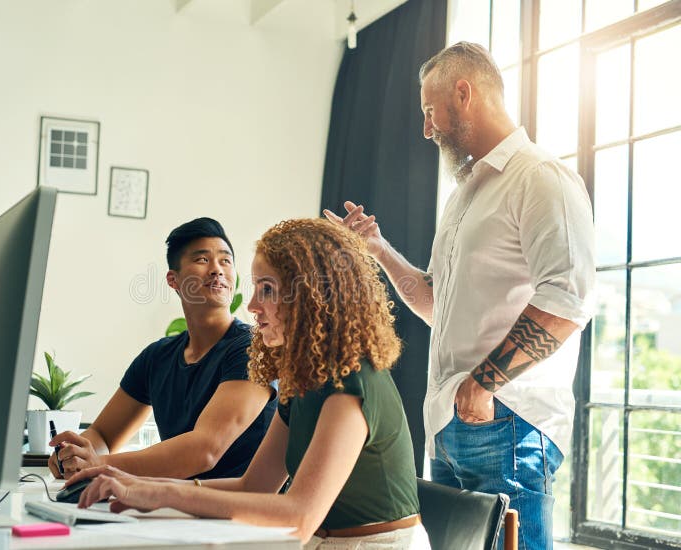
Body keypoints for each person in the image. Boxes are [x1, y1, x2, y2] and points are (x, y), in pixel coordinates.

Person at [324, 42, 595, 550]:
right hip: (450, 422)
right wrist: (378, 249)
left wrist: (484, 383)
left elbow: (567, 301)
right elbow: (437, 304)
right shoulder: (464, 196)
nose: (426, 129)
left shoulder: (540, 177)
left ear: (464, 94)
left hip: (508, 422)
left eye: (430, 111)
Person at [66, 218, 431, 549]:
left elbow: (299, 517)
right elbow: (254, 486)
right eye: (256, 288)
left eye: (267, 290)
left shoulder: (350, 382)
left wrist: (163, 495)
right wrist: (140, 485)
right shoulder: (303, 379)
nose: (253, 305)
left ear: (309, 297)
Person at [48, 217, 276, 481]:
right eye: (203, 259)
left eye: (226, 261)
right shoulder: (157, 357)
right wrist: (75, 455)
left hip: (235, 504)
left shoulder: (253, 347)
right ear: (173, 280)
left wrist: (98, 463)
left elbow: (205, 451)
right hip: (175, 499)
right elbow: (102, 436)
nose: (217, 269)